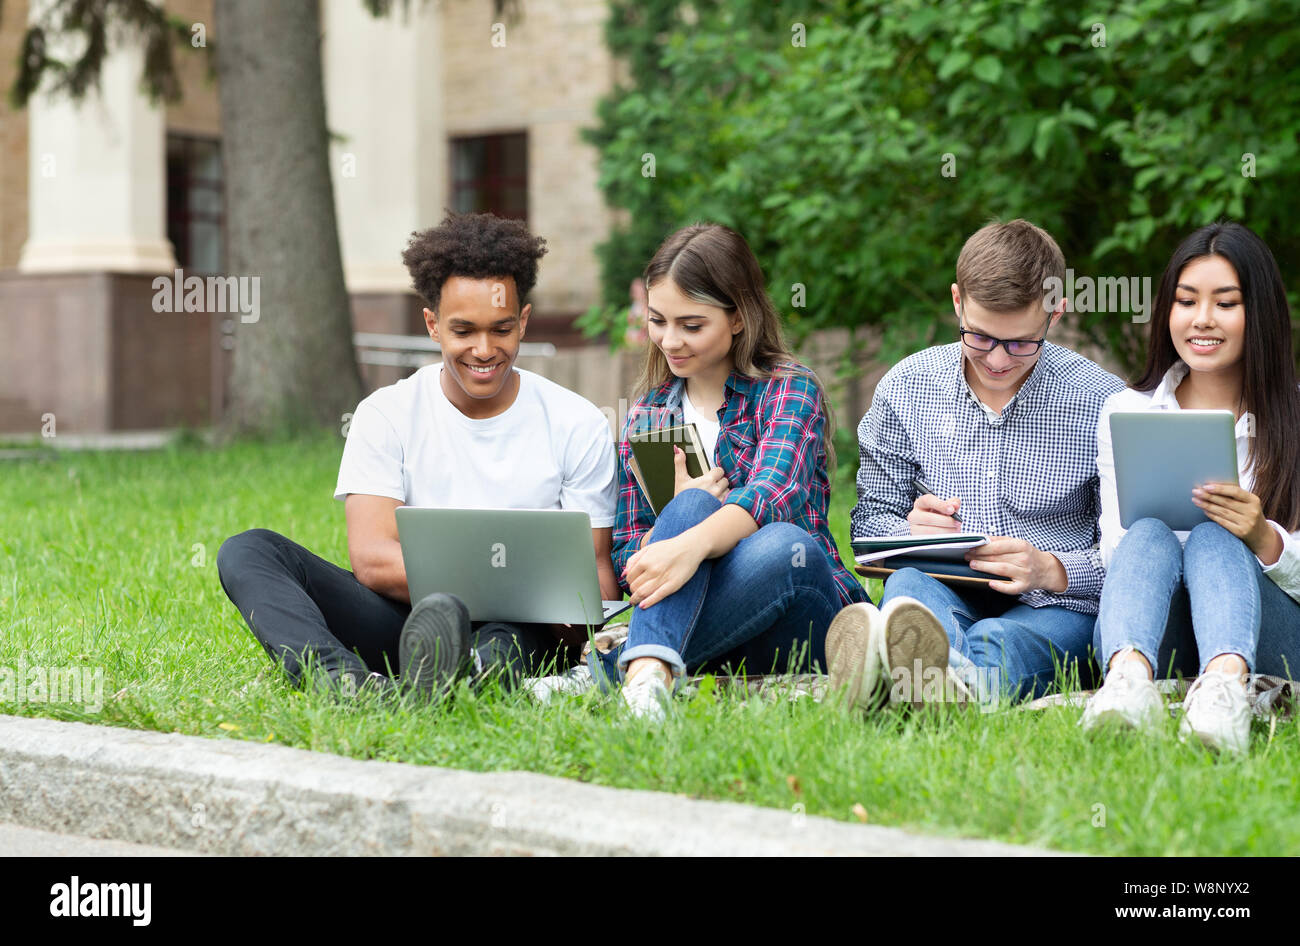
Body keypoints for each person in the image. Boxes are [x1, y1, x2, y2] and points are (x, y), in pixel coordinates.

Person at [217, 212, 619, 697]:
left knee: (505, 638)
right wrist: (499, 581)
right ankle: (343, 682)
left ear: (524, 323)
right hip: (406, 618)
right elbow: (371, 559)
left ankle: (466, 678)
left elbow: (594, 577)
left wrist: (534, 605)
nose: (485, 349)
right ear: (432, 324)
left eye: (502, 329)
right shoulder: (386, 412)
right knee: (250, 550)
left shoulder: (578, 423)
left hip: (521, 628)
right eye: (464, 330)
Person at [828, 219, 1125, 707]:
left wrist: (1052, 568)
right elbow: (868, 525)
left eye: (1021, 343)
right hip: (944, 589)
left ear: (1057, 312)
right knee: (907, 586)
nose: (999, 360)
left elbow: (1130, 550)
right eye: (980, 337)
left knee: (1004, 643)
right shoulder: (906, 388)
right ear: (957, 301)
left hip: (1056, 605)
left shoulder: (1102, 401)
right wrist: (909, 534)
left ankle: (898, 683)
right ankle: (940, 685)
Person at [594, 222, 868, 720]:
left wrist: (689, 538)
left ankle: (622, 667)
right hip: (708, 627)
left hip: (796, 607)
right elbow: (628, 557)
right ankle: (649, 676)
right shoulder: (649, 415)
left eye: (691, 325)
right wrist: (673, 520)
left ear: (739, 317)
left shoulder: (788, 387)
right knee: (692, 502)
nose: (669, 341)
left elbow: (773, 494)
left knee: (787, 545)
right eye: (658, 321)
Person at [1080, 222, 1300, 754]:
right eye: (1185, 301)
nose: (1202, 320)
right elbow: (1116, 550)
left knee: (1216, 537)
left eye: (1225, 303)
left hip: (1268, 633)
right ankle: (1128, 687)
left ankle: (1224, 691)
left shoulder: (1294, 416)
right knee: (1148, 529)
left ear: (1260, 314)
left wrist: (1263, 539)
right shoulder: (1126, 410)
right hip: (1153, 625)